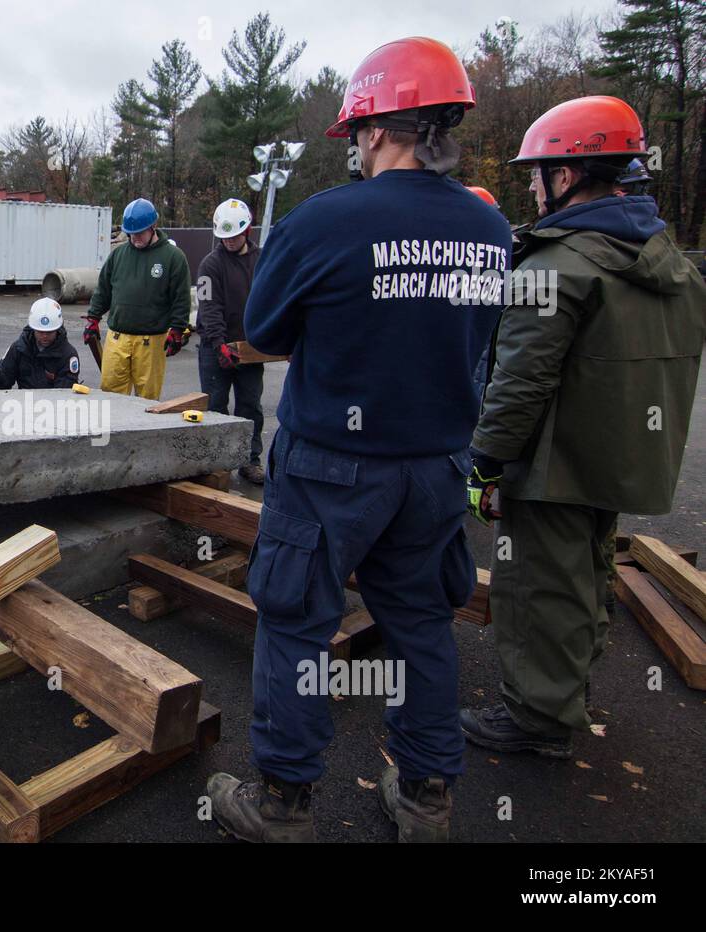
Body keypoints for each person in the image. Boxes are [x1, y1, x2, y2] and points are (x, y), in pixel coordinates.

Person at [205, 36, 512, 843]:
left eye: (355, 133)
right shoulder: (489, 227)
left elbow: (265, 328)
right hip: (436, 469)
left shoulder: (327, 221)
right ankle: (424, 795)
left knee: (297, 622)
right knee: (419, 626)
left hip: (329, 471)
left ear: (374, 127)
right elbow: (480, 337)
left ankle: (281, 803)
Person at [461, 96, 706, 759]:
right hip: (618, 462)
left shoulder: (557, 265)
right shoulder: (668, 262)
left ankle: (539, 720)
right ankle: (567, 685)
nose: (532, 186)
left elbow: (520, 382)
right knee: (586, 576)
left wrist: (485, 459)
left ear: (565, 176)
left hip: (553, 465)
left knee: (539, 588)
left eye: (537, 172)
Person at [83, 197, 190, 400]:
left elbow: (181, 298)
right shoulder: (118, 255)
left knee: (146, 400)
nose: (135, 238)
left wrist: (177, 329)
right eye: (131, 234)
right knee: (110, 395)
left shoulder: (173, 257)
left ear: (153, 226)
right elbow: (103, 290)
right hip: (117, 338)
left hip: (151, 341)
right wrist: (93, 318)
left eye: (140, 233)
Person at [196, 198, 265, 483]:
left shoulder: (262, 261)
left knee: (250, 406)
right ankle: (217, 461)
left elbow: (271, 299)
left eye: (235, 236)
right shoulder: (209, 265)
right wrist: (219, 342)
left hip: (250, 349)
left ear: (246, 231)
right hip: (216, 348)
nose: (230, 242)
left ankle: (250, 460)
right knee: (215, 406)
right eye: (224, 237)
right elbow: (208, 305)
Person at [0, 297, 81, 390]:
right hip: (24, 404)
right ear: (33, 328)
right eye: (40, 332)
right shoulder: (19, 348)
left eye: (49, 332)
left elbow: (63, 394)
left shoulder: (68, 355)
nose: (44, 336)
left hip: (52, 408)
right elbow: (5, 382)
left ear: (57, 329)